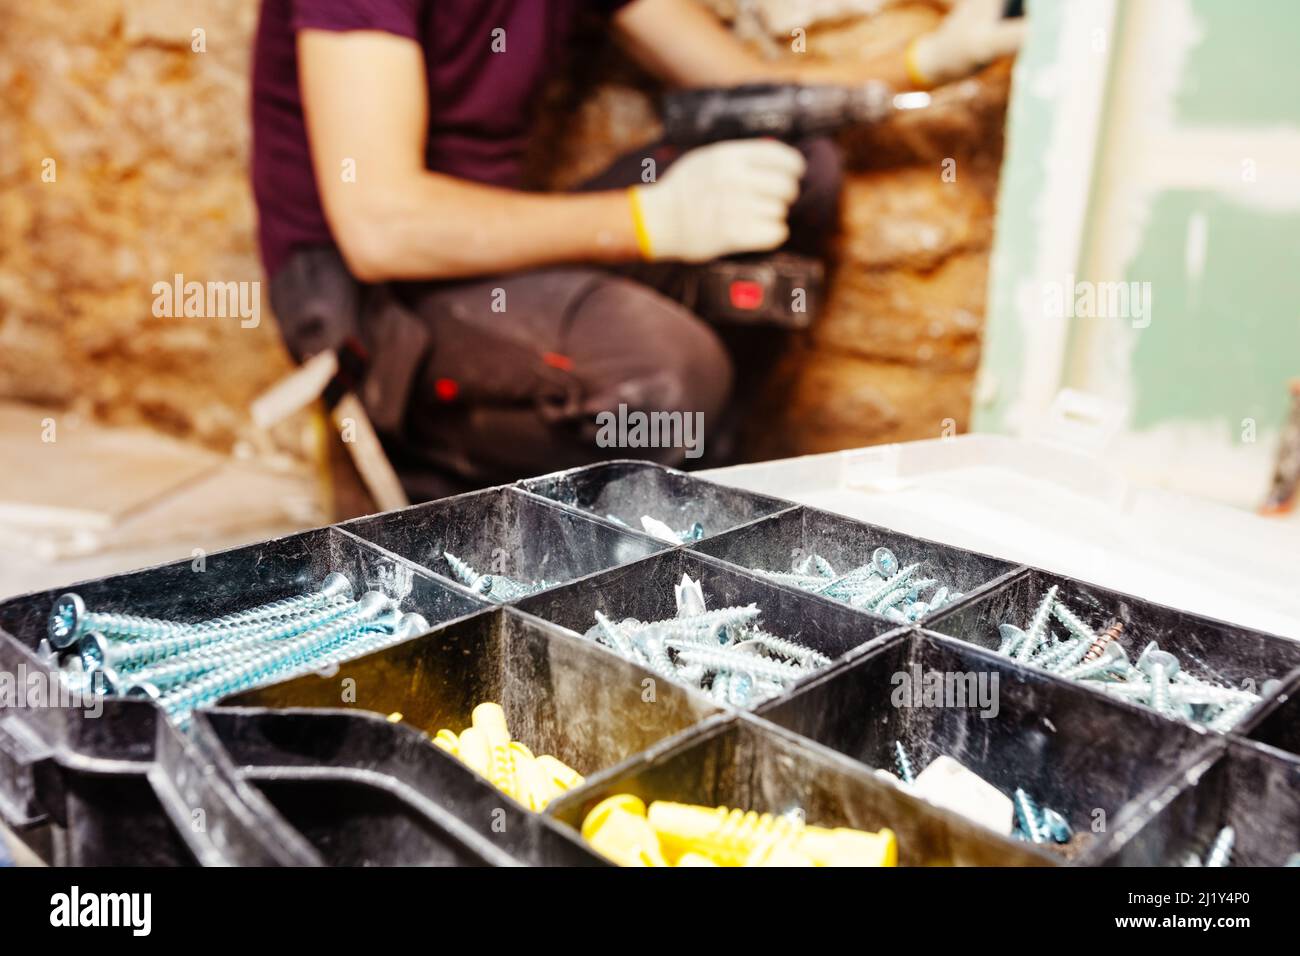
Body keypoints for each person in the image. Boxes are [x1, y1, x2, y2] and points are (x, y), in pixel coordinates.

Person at [253, 0, 1022, 499]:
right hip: (360, 294)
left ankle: (683, 467)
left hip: (486, 253)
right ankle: (433, 468)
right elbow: (383, 225)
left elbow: (751, 84)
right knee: (662, 372)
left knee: (792, 157)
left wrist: (924, 64)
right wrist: (650, 221)